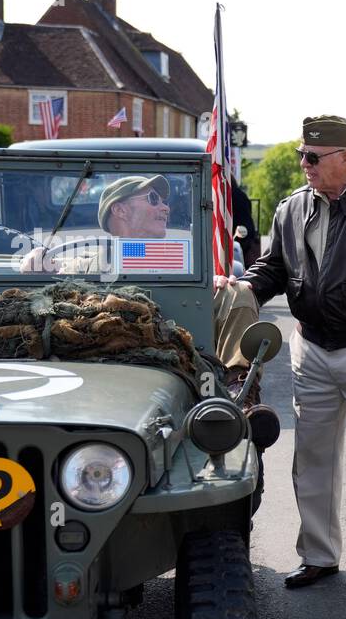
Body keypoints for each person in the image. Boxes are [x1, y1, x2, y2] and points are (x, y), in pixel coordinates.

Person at [232, 115, 346, 599]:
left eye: (313, 157)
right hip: (310, 347)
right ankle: (318, 554)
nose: (304, 164)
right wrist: (244, 285)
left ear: (345, 158)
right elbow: (274, 267)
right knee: (312, 458)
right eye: (301, 155)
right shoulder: (292, 207)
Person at [22, 174, 279, 448]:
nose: (166, 208)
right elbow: (38, 279)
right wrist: (33, 264)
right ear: (119, 210)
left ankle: (239, 395)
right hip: (95, 376)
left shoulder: (182, 262)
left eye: (165, 201)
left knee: (237, 291)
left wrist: (219, 286)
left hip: (177, 372)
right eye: (153, 199)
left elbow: (215, 294)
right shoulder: (82, 265)